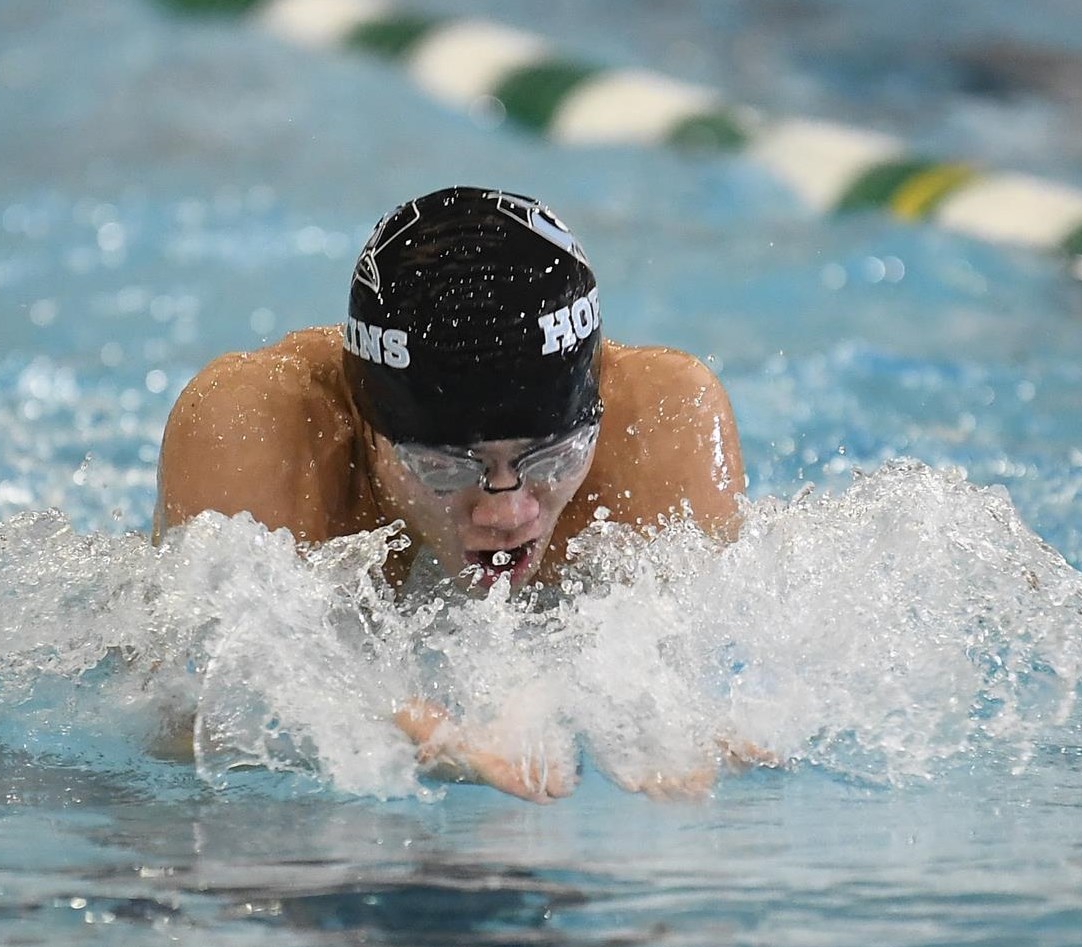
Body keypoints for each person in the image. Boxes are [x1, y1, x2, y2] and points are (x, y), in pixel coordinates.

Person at [153, 186, 749, 801]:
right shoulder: (257, 430)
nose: (507, 512)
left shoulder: (662, 427)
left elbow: (704, 669)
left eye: (552, 458)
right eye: (445, 469)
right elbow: (187, 718)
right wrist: (410, 731)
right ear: (365, 422)